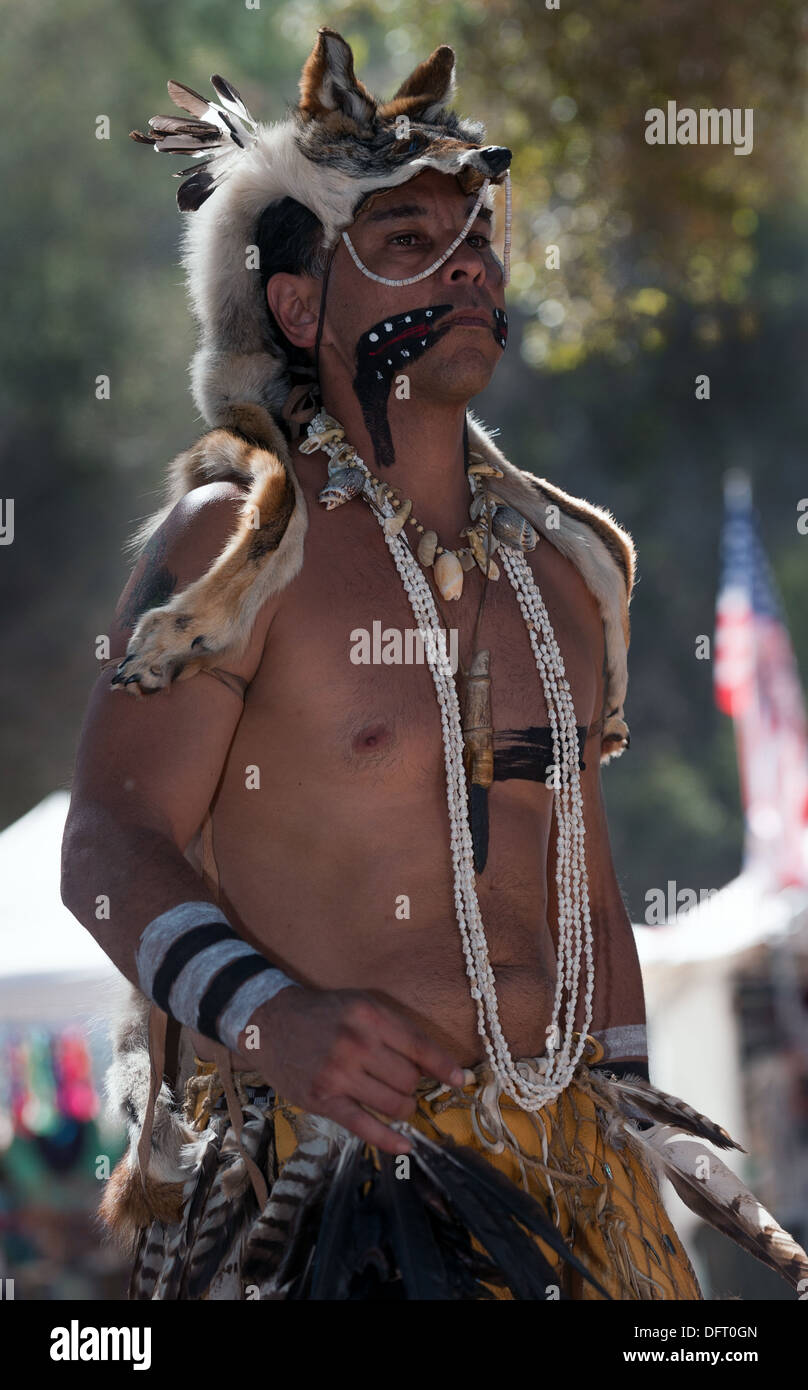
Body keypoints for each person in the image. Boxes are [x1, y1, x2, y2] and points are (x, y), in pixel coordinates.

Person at [61, 27, 807, 1301]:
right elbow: (107, 849)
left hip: (569, 1171)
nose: (468, 272)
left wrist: (640, 1107)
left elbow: (583, 872)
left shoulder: (566, 571)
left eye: (476, 245)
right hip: (339, 1192)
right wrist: (270, 1018)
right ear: (300, 306)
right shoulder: (242, 541)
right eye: (409, 245)